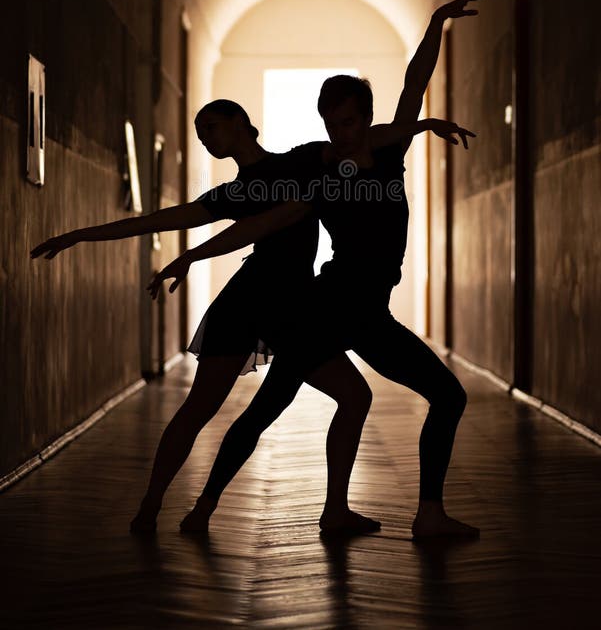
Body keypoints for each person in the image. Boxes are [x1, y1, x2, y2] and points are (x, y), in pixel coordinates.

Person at [30, 99, 460, 535]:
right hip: (250, 304)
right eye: (200, 133)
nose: (205, 137)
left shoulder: (301, 162)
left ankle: (320, 510)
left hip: (290, 309)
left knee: (345, 398)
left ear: (242, 124)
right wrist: (82, 235)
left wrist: (421, 124)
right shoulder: (238, 192)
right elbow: (162, 219)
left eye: (211, 127)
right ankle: (151, 505)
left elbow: (369, 138)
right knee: (203, 406)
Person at [151, 0, 483, 538]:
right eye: (331, 123)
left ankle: (410, 514)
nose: (341, 133)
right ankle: (204, 507)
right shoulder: (322, 178)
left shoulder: (390, 153)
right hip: (327, 308)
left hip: (369, 314)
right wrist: (191, 254)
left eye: (349, 122)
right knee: (266, 408)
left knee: (446, 396)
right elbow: (259, 226)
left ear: (366, 120)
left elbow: (413, 86)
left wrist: (436, 24)